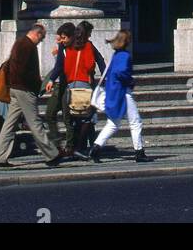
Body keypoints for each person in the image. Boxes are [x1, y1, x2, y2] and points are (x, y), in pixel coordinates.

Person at [0, 24, 62, 169]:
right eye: (41, 38)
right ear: (37, 34)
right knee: (35, 123)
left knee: (9, 124)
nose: (41, 41)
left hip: (15, 88)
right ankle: (52, 155)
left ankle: (0, 157)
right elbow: (24, 71)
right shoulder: (28, 46)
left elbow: (13, 66)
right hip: (24, 89)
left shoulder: (19, 43)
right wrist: (36, 87)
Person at [90, 30, 145, 163]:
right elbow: (121, 73)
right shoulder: (125, 56)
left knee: (113, 123)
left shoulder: (115, 55)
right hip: (123, 92)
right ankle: (139, 152)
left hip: (113, 92)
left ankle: (96, 148)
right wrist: (130, 81)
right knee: (135, 122)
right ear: (126, 41)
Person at [62, 21, 105, 158]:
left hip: (71, 85)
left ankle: (84, 146)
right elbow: (90, 65)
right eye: (90, 33)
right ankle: (81, 147)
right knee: (89, 117)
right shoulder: (88, 46)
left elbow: (67, 67)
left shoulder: (70, 46)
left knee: (76, 116)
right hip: (85, 84)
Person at [41, 22, 76, 154]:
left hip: (70, 85)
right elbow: (59, 65)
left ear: (72, 37)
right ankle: (57, 143)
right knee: (50, 113)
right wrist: (51, 80)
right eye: (61, 38)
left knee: (68, 117)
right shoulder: (62, 47)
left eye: (64, 38)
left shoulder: (77, 48)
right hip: (60, 84)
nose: (61, 40)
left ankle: (70, 146)